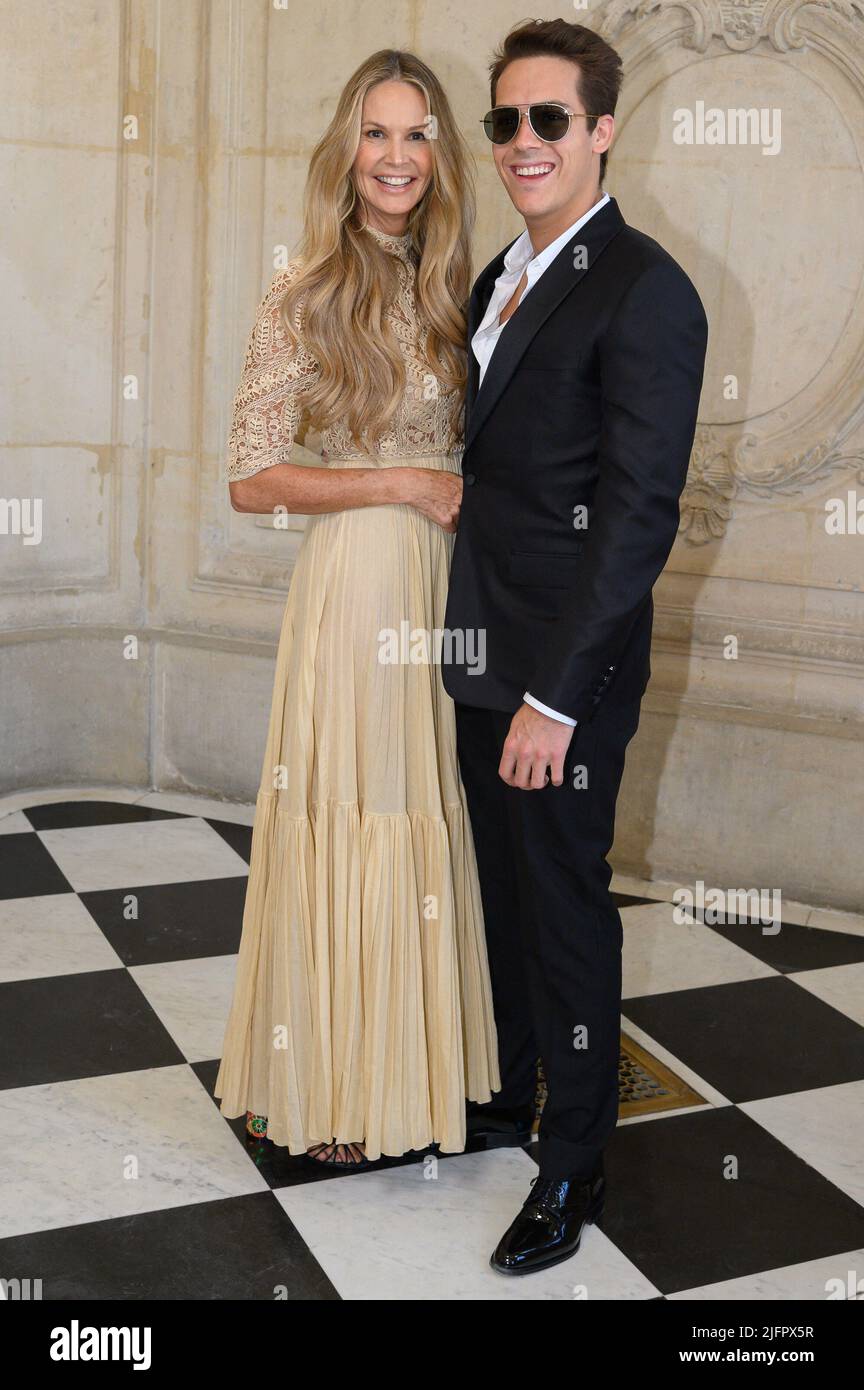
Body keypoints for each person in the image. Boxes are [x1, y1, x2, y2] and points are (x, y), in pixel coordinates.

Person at [443, 18, 708, 1273]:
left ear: (603, 128)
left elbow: (636, 516)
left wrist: (555, 698)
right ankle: (514, 1090)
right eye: (504, 120)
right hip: (478, 649)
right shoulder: (502, 273)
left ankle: (576, 1160)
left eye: (549, 119)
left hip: (565, 678)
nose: (522, 143)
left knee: (566, 913)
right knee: (504, 898)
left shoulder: (647, 288)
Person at [214, 50, 500, 1168]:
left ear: (441, 154)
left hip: (444, 586)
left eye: (418, 134)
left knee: (429, 807)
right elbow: (248, 476)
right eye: (377, 134)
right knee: (360, 808)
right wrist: (403, 482)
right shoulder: (305, 289)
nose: (396, 156)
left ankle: (414, 1075)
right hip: (358, 584)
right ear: (348, 149)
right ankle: (331, 1088)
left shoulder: (457, 280)